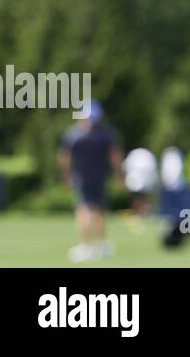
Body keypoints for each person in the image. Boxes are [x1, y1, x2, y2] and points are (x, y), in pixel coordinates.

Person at [58, 101, 123, 263]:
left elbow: (65, 158)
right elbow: (115, 157)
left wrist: (67, 176)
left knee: (85, 210)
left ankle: (87, 246)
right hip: (99, 178)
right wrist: (119, 175)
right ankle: (100, 245)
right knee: (98, 211)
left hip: (84, 178)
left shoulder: (73, 134)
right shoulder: (106, 134)